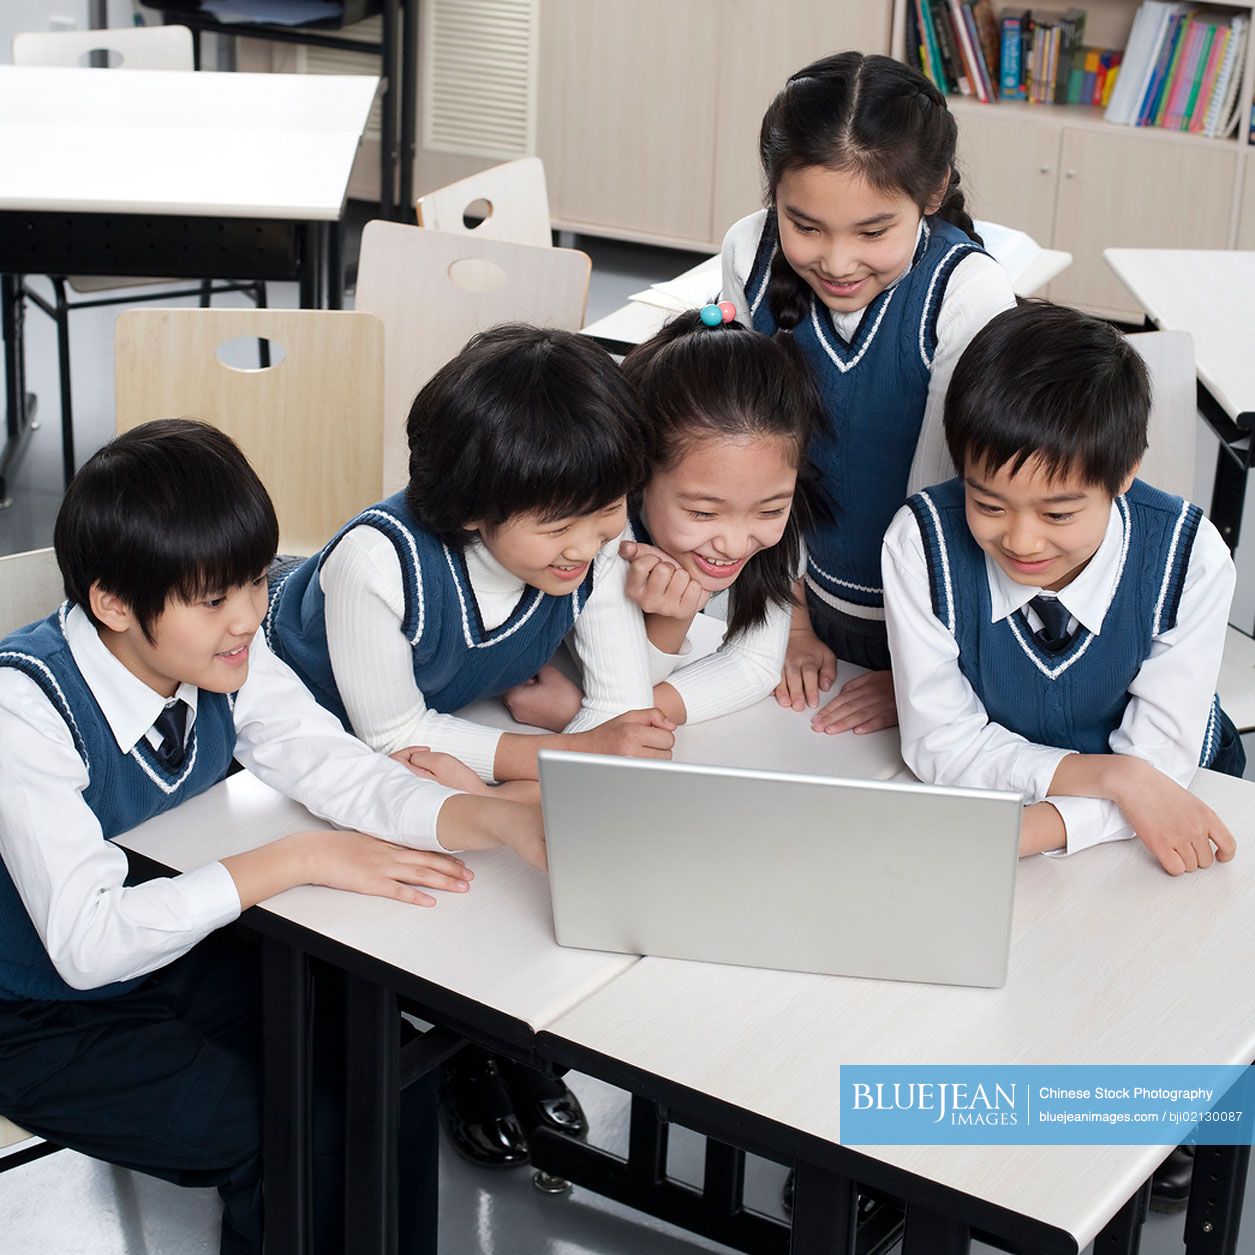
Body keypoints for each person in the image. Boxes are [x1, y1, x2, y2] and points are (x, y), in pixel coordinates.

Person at [0, 420, 545, 1255]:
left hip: (172, 950)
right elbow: (87, 943)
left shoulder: (222, 655)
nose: (250, 617)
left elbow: (331, 765)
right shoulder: (23, 710)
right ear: (112, 601)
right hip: (38, 1014)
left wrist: (493, 818)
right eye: (215, 598)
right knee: (297, 1130)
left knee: (385, 1073)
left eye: (257, 582)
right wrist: (295, 857)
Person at [265, 324, 673, 1171]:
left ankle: (504, 1044)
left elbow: (621, 713)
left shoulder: (585, 543)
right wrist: (566, 757)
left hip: (453, 720)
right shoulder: (377, 563)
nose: (589, 543)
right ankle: (470, 1052)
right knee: (441, 888)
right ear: (470, 506)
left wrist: (579, 750)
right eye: (560, 523)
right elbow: (393, 735)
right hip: (306, 737)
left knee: (517, 873)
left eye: (607, 511)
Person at [882, 302, 1243, 1213]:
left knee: (1157, 978)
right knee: (988, 979)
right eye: (986, 501)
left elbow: (1158, 760)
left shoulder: (1188, 555)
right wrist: (1104, 779)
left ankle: (1161, 1120)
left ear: (1123, 476)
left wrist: (1049, 821)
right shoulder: (918, 543)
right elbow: (937, 743)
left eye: (1058, 509)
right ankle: (952, 1156)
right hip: (1029, 796)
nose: (1021, 539)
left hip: (1180, 787)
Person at [721, 50, 1016, 735]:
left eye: (873, 230)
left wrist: (918, 677)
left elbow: (952, 504)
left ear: (932, 192)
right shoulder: (746, 252)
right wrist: (785, 619)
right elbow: (747, 465)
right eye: (804, 225)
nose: (837, 260)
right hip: (797, 604)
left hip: (941, 643)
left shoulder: (966, 295)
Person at [505, 304, 824, 730]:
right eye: (703, 512)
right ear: (639, 476)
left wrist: (599, 714)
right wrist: (666, 631)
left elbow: (754, 666)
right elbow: (616, 683)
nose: (734, 541)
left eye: (771, 509)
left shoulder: (768, 503)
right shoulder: (598, 535)